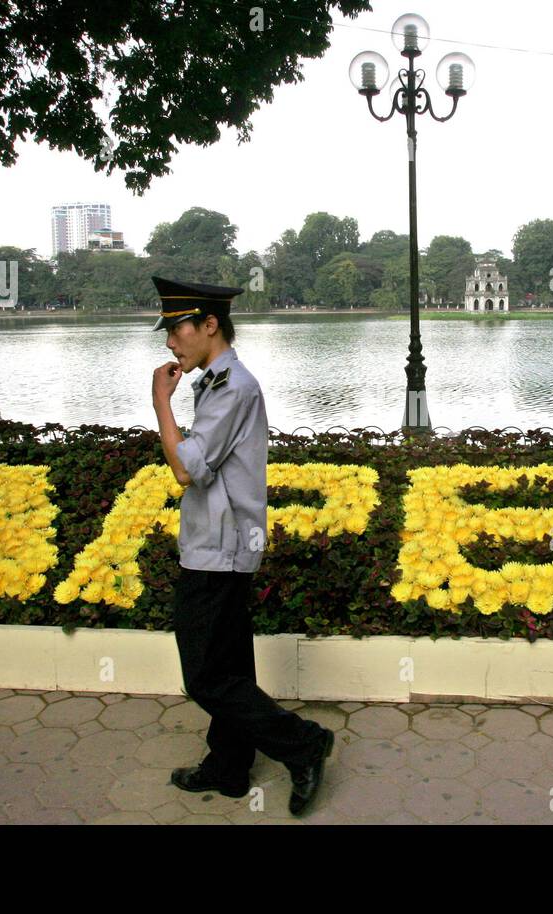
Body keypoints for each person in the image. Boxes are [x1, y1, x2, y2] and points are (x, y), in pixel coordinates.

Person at [149, 275, 335, 817]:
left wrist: (160, 401)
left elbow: (186, 468)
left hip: (220, 547)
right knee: (229, 665)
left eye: (177, 329)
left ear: (210, 325)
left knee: (205, 676)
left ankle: (303, 744)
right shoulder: (216, 380)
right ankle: (228, 767)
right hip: (220, 541)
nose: (170, 342)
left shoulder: (233, 386)